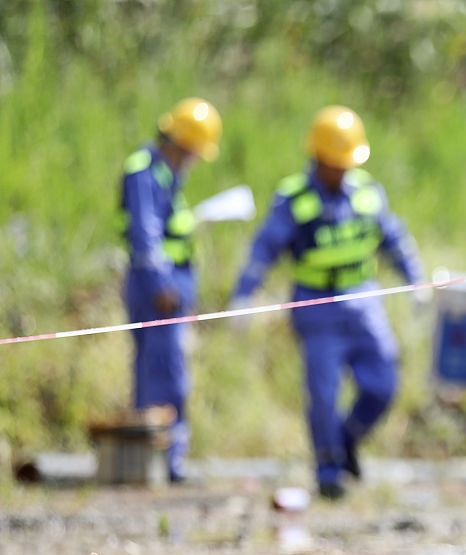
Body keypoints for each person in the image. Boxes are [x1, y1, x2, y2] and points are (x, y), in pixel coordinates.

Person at [231, 106, 425, 500]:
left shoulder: (367, 192)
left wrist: (416, 281)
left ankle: (346, 439)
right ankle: (328, 470)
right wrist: (243, 294)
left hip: (364, 299)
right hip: (316, 306)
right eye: (336, 162)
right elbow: (264, 248)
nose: (342, 169)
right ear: (318, 157)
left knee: (383, 382)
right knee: (323, 393)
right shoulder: (294, 199)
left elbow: (394, 238)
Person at [119, 97, 222, 483]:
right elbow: (145, 234)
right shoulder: (145, 171)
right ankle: (165, 463)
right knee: (165, 375)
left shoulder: (166, 173)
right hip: (156, 289)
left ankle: (154, 462)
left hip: (167, 284)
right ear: (183, 143)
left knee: (158, 372)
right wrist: (162, 283)